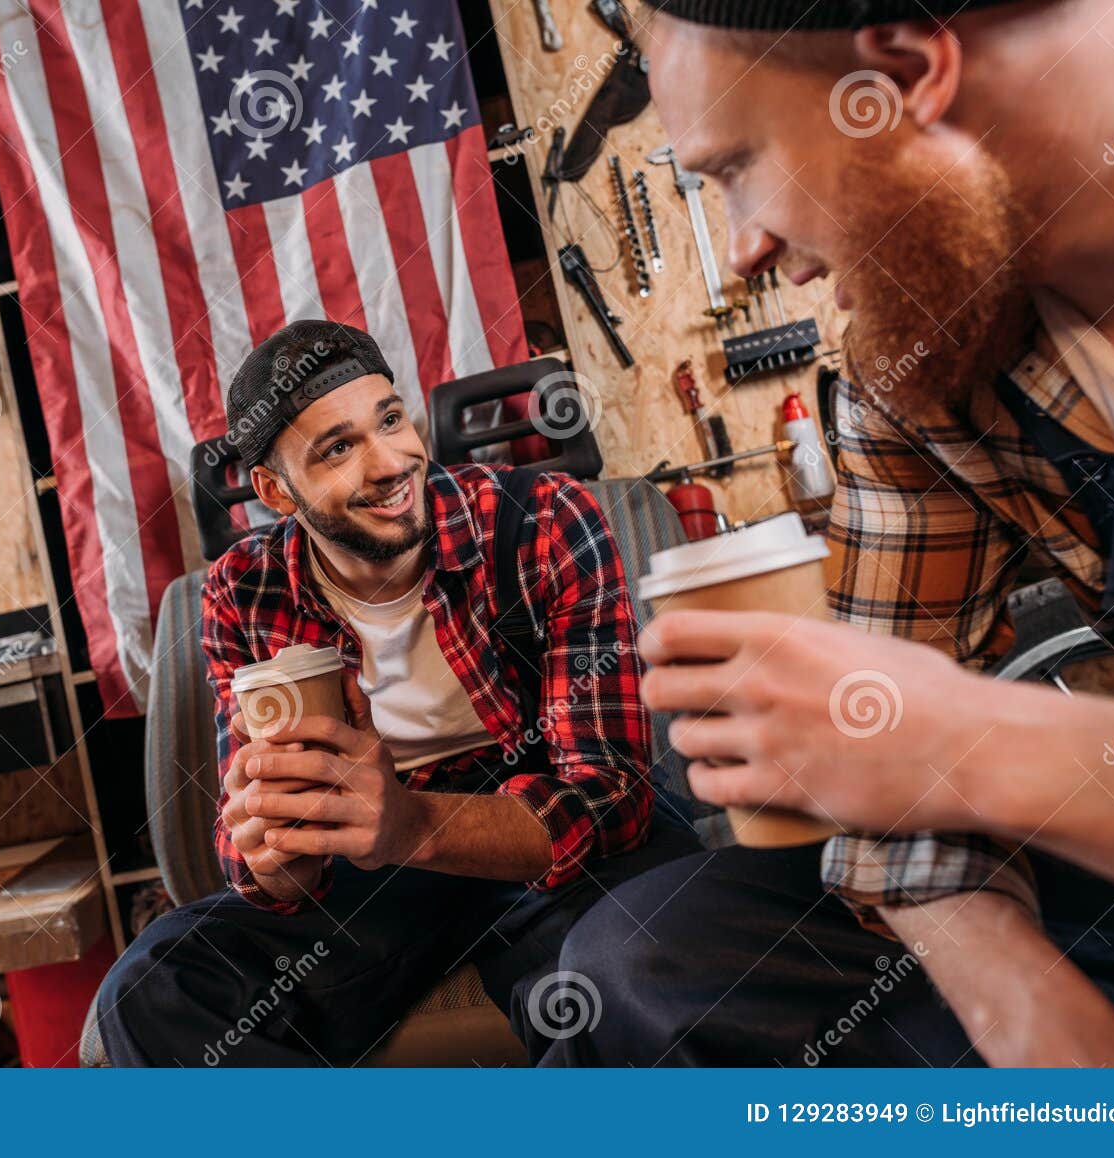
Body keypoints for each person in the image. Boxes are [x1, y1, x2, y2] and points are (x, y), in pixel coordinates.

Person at [546, 0, 1114, 1067]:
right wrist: (1033, 1023)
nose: (745, 254)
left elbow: (926, 741)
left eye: (736, 168)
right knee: (658, 957)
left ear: (905, 71)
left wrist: (968, 744)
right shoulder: (925, 364)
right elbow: (884, 782)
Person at [95, 320, 694, 1066]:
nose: (391, 462)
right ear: (276, 491)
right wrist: (277, 855)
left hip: (544, 840)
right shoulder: (244, 590)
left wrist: (411, 824)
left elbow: (613, 797)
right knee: (155, 990)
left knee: (629, 974)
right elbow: (252, 840)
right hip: (375, 874)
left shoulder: (543, 520)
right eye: (338, 448)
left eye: (389, 419)